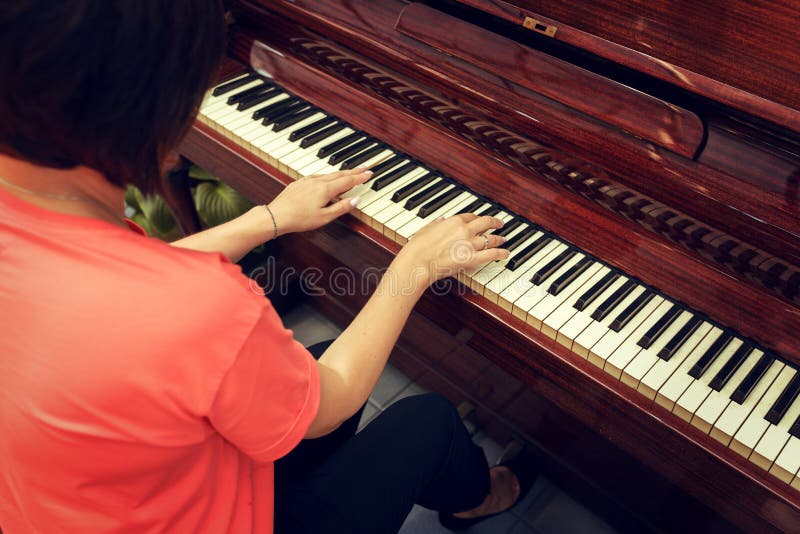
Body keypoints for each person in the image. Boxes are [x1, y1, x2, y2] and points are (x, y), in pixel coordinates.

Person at [0, 1, 536, 532]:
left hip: (74, 500)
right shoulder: (191, 304)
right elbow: (329, 401)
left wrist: (271, 218)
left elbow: (112, 290)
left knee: (319, 358)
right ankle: (477, 498)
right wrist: (413, 264)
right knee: (429, 422)